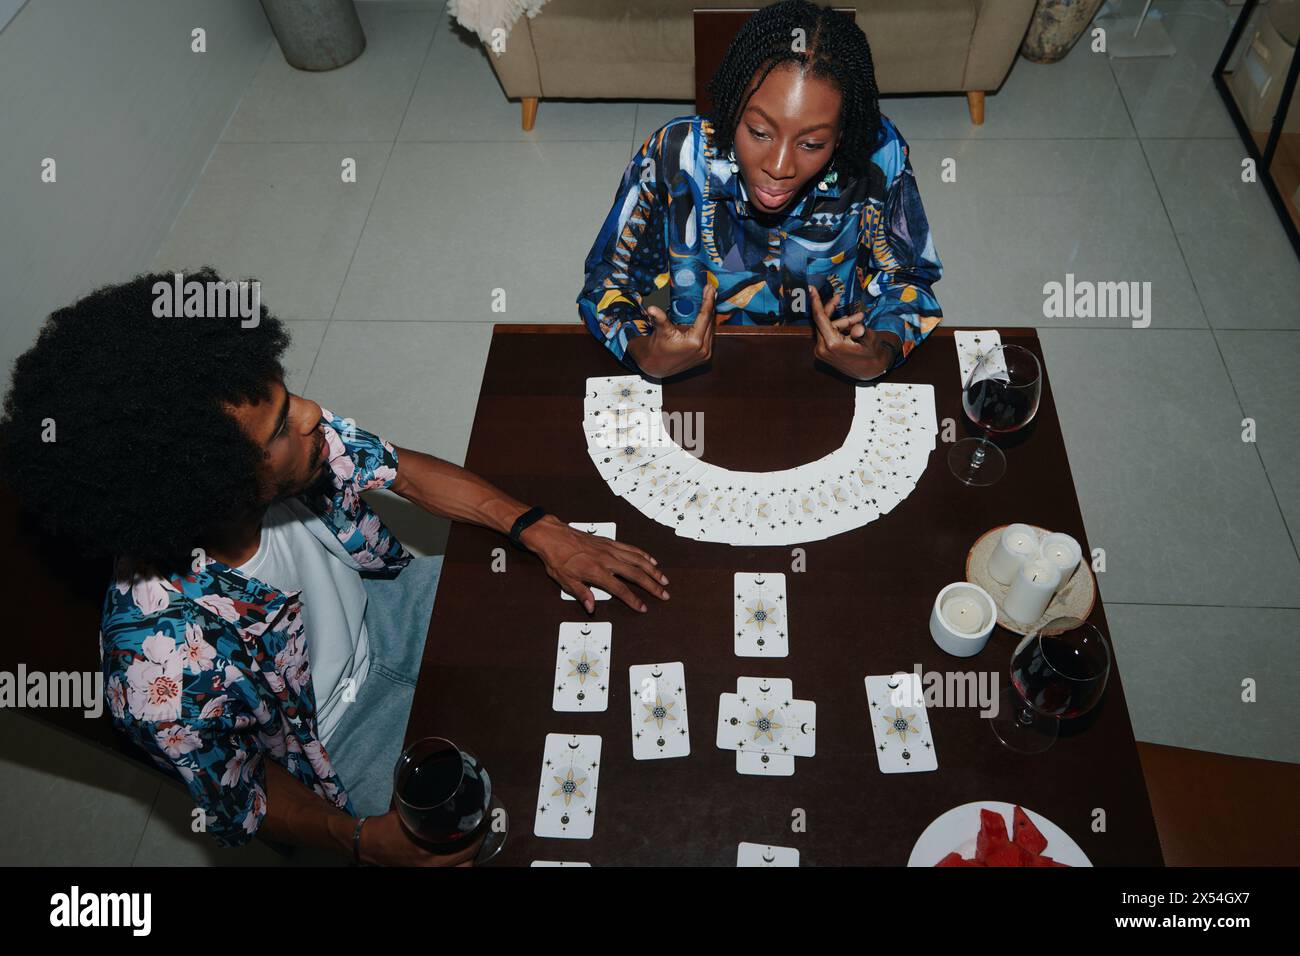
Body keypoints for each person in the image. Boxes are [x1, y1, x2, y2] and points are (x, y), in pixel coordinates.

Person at [0, 268, 670, 865]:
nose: (314, 414)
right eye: (281, 429)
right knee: (522, 822)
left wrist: (537, 527)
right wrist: (362, 839)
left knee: (585, 616)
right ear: (212, 488)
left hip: (389, 605)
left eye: (289, 400)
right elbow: (248, 796)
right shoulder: (159, 670)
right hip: (335, 741)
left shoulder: (288, 443)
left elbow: (402, 471)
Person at [578, 0, 943, 381]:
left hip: (833, 369)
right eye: (759, 132)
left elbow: (909, 277)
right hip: (702, 366)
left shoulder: (876, 153)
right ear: (733, 106)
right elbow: (608, 282)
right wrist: (643, 351)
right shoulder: (677, 153)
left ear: (841, 136)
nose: (779, 167)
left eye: (812, 144)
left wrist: (880, 351)